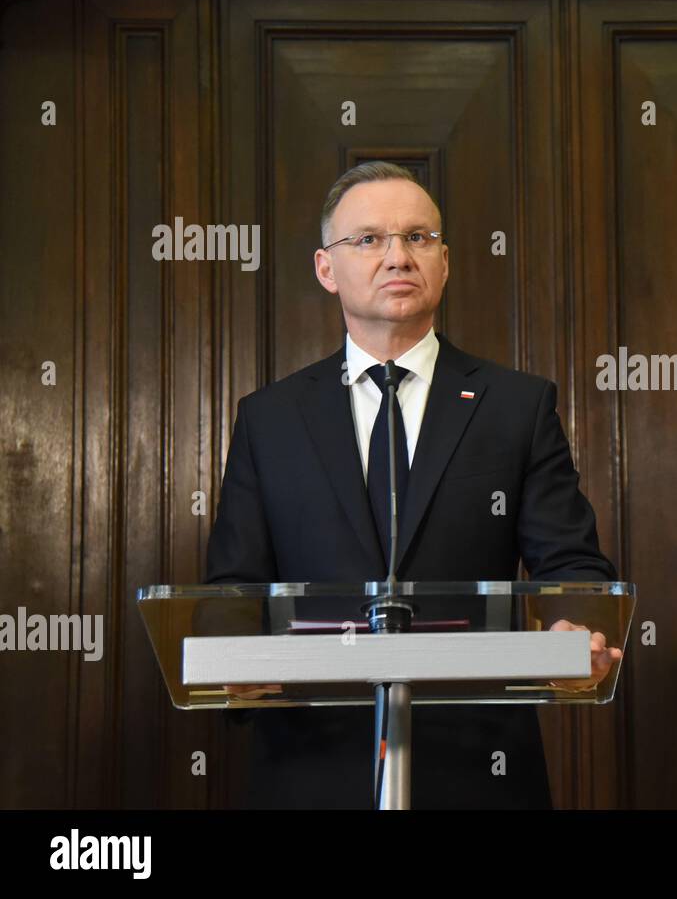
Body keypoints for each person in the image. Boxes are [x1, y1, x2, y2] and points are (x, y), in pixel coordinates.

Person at [206, 160, 620, 808]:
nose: (397, 255)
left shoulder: (516, 405)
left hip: (476, 763)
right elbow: (233, 581)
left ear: (445, 262)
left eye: (418, 238)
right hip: (311, 761)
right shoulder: (270, 417)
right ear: (326, 269)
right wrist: (231, 661)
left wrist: (576, 624)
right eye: (368, 239)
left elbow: (571, 561)